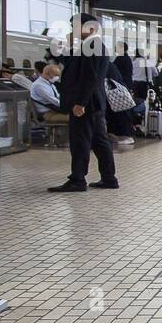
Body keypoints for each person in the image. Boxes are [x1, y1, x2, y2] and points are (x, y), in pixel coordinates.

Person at [48, 14, 118, 192]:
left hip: (86, 104)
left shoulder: (92, 46)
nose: (74, 31)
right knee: (99, 141)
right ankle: (109, 177)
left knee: (80, 141)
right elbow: (71, 63)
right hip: (92, 102)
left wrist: (81, 102)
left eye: (77, 27)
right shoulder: (89, 46)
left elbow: (90, 77)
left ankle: (78, 179)